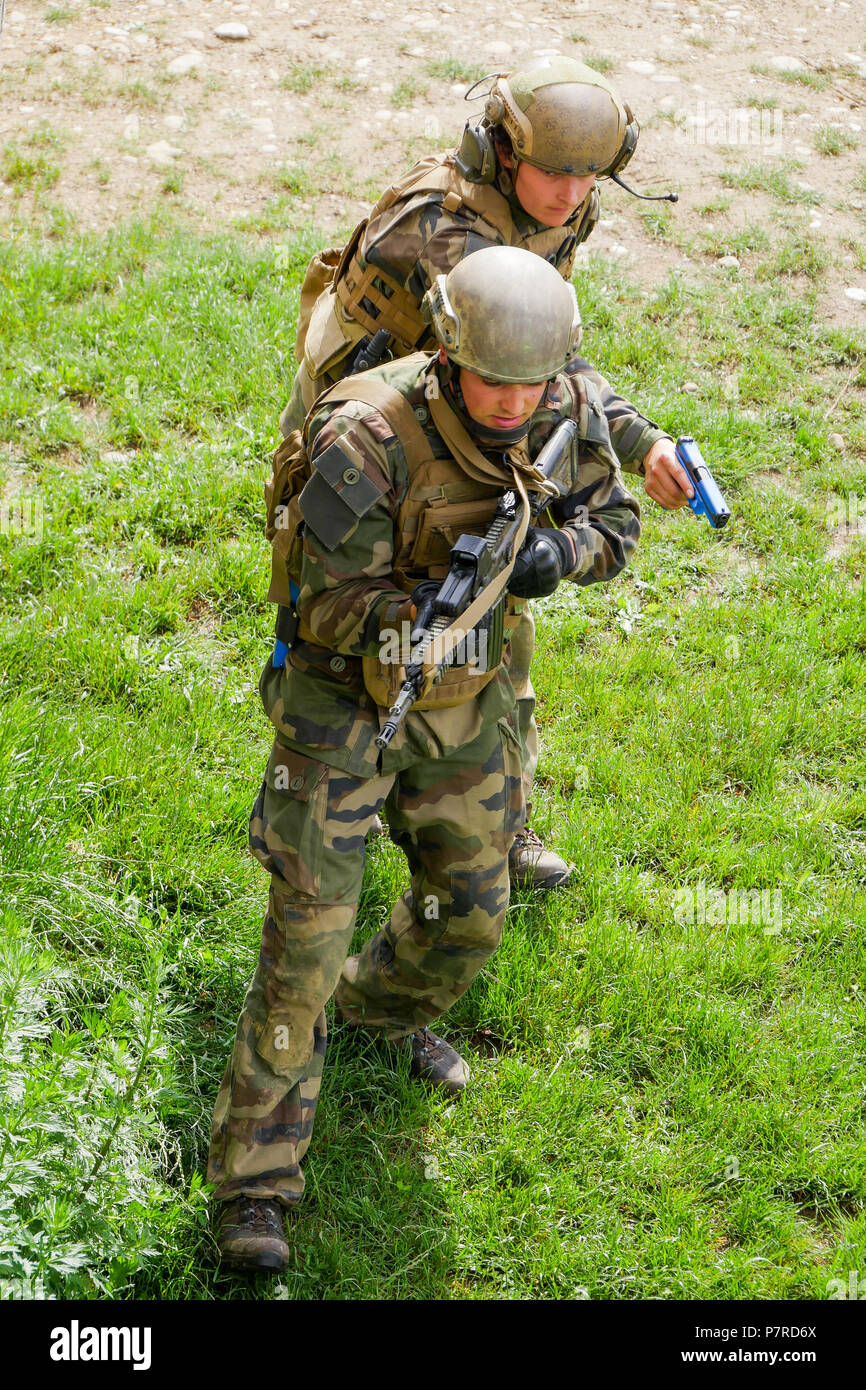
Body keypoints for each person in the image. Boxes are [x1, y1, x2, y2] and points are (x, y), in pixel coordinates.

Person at [209, 245, 642, 1274]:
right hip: (342, 702)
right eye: (491, 379)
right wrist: (422, 617)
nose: (511, 402)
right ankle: (253, 1188)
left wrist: (554, 556)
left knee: (470, 913)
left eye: (529, 383)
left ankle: (375, 1014)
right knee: (301, 952)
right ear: (446, 355)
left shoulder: (560, 405)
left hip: (464, 703)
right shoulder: (364, 437)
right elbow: (320, 602)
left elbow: (615, 524)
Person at [277, 56, 693, 889]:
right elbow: (498, 377)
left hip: (471, 414)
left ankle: (491, 822)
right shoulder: (440, 233)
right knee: (345, 636)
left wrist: (639, 441)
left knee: (495, 619)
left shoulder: (558, 205)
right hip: (365, 447)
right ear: (505, 149)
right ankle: (326, 820)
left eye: (590, 175)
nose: (572, 195)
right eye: (554, 171)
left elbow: (535, 367)